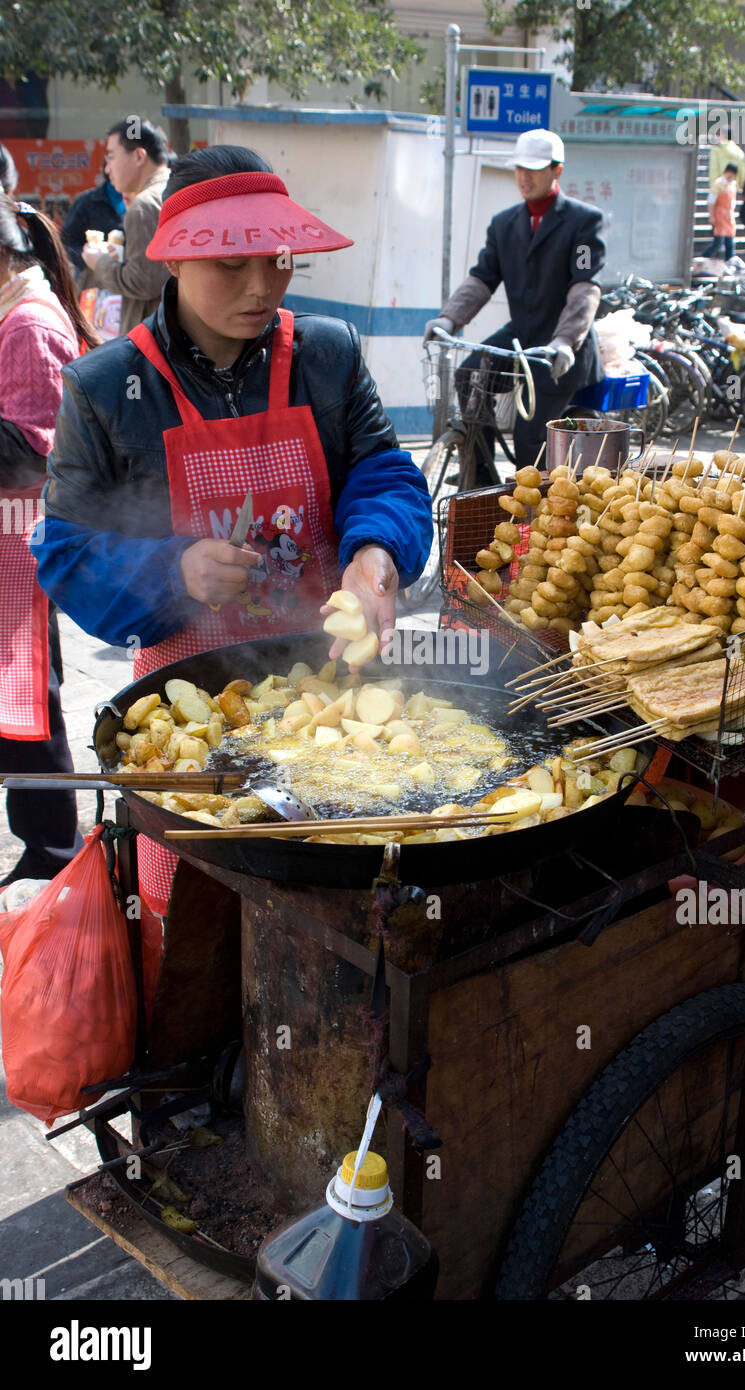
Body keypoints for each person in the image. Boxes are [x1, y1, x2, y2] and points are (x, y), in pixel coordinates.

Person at [33, 145, 433, 916]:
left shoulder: (327, 356)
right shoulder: (105, 390)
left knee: (336, 890)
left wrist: (376, 553)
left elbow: (383, 472)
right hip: (195, 704)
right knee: (198, 914)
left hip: (331, 685)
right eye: (231, 266)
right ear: (176, 259)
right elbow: (67, 549)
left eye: (278, 260)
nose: (260, 287)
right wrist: (171, 572)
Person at [0, 195, 99, 885]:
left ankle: (54, 857)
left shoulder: (28, 321)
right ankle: (45, 851)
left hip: (19, 539)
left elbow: (32, 452)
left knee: (30, 701)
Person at [424, 128, 605, 478]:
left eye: (535, 169)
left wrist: (566, 340)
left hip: (561, 348)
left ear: (557, 170)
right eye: (520, 168)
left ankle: (536, 520)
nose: (524, 177)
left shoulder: (585, 222)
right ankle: (481, 473)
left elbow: (585, 286)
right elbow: (482, 278)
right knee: (468, 376)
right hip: (522, 334)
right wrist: (449, 318)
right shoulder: (505, 224)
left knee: (530, 439)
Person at [80, 117, 171, 334]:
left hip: (154, 339)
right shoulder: (173, 190)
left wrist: (98, 262)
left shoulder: (144, 205)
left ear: (139, 156)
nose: (107, 169)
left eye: (111, 157)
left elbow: (142, 281)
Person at [61, 161, 125, 281]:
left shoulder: (143, 202)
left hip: (131, 282)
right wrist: (89, 258)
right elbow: (67, 241)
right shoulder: (87, 202)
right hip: (93, 282)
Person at [701, 162, 739, 261]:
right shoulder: (718, 184)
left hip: (729, 217)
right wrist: (711, 216)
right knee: (718, 243)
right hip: (720, 217)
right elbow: (711, 201)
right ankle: (703, 259)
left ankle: (729, 263)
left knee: (729, 244)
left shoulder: (733, 184)